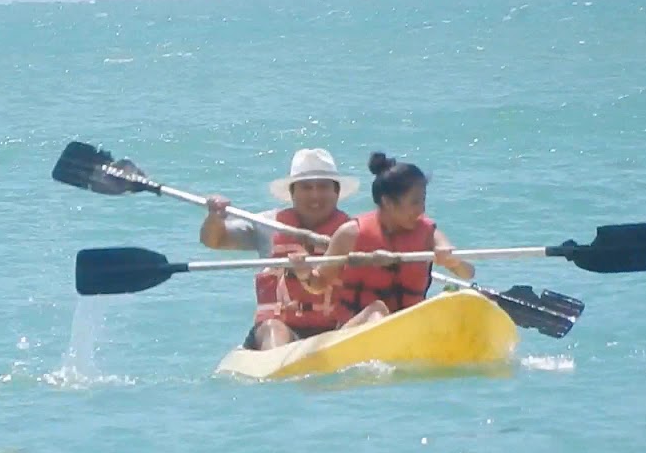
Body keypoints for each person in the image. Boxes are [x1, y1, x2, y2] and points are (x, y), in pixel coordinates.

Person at [199, 148, 360, 350]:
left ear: (336, 192)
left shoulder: (352, 232)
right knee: (274, 328)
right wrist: (215, 217)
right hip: (280, 327)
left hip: (336, 330)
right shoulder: (268, 224)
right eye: (306, 187)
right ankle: (275, 367)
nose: (315, 195)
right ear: (292, 193)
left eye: (323, 187)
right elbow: (214, 240)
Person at [292, 151, 476, 328]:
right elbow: (319, 283)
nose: (421, 209)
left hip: (408, 328)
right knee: (377, 311)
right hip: (354, 331)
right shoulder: (350, 234)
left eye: (422, 201)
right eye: (414, 202)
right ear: (388, 202)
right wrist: (304, 274)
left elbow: (467, 273)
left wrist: (452, 259)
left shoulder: (428, 233)